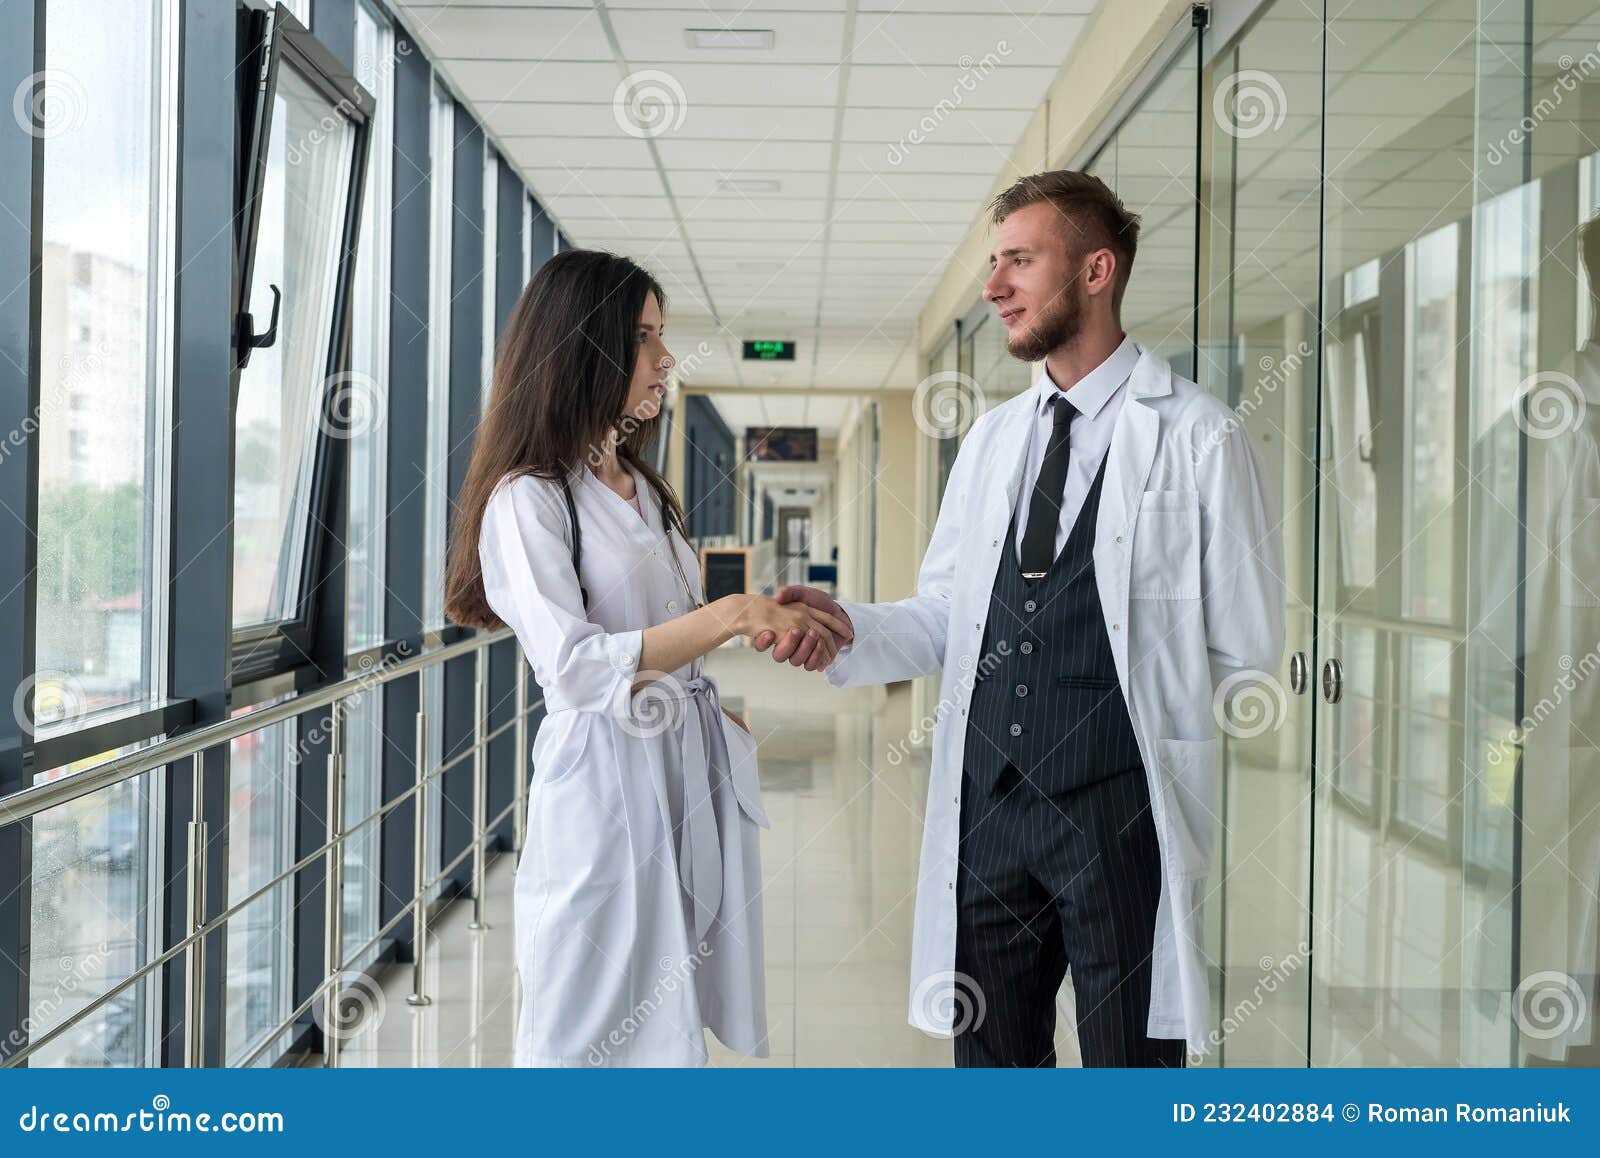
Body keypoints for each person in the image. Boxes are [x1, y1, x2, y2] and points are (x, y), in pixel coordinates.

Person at [758, 171, 1285, 1066]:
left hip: (1120, 819)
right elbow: (946, 615)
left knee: (1129, 1070)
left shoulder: (1199, 435)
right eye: (993, 263)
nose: (995, 285)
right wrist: (850, 625)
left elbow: (1245, 645)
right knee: (994, 1068)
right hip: (986, 814)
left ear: (1094, 271)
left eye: (1019, 261)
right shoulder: (995, 441)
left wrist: (1127, 729)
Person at [443, 249, 852, 1066]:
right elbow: (578, 667)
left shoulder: (638, 484)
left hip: (679, 767)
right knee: (586, 1033)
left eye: (661, 335)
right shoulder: (528, 498)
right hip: (602, 784)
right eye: (643, 337)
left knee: (670, 1030)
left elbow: (666, 625)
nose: (665, 357)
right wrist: (731, 615)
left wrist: (736, 653)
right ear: (580, 351)